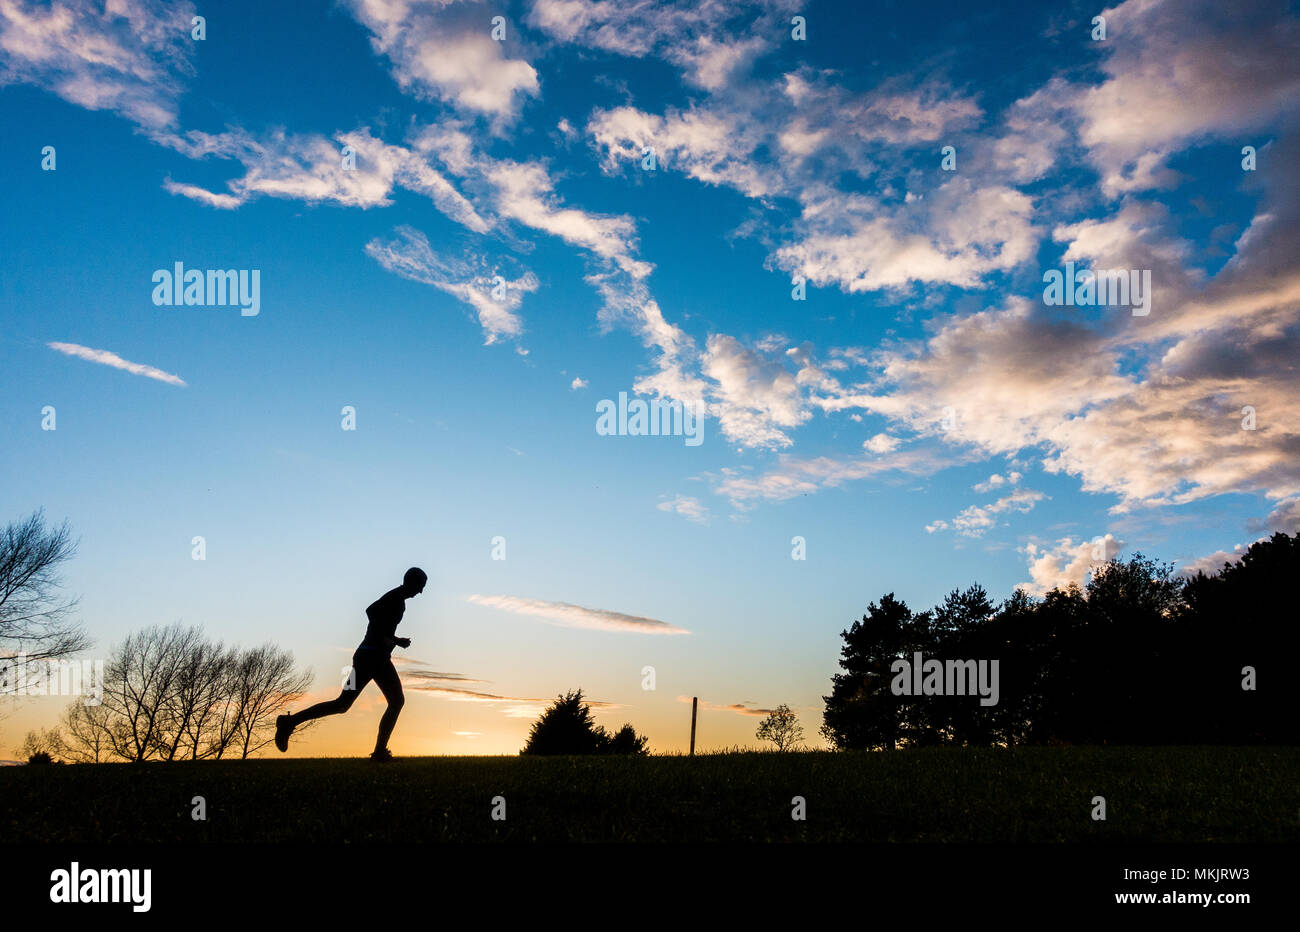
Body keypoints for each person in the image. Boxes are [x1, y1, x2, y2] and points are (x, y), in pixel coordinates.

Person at [275, 567, 426, 760]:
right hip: (374, 659)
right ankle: (379, 751)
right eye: (420, 586)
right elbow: (370, 611)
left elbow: (378, 622)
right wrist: (388, 639)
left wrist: (394, 640)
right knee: (396, 702)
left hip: (367, 657)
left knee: (342, 704)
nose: (420, 592)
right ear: (411, 582)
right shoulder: (396, 598)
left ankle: (290, 722)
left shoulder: (398, 599)